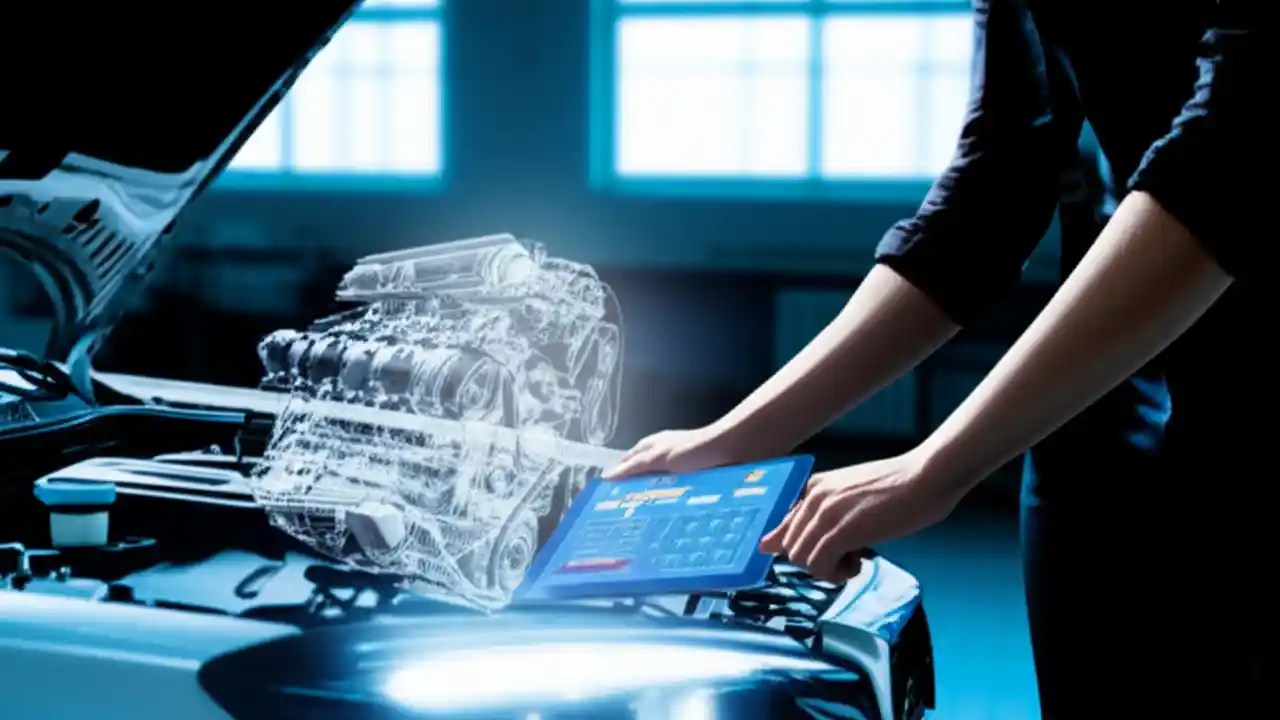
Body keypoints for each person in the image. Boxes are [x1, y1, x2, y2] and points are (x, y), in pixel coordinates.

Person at [604, 1, 1276, 716]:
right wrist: (735, 440)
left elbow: (1236, 149)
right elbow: (995, 182)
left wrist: (934, 467)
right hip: (1092, 410)